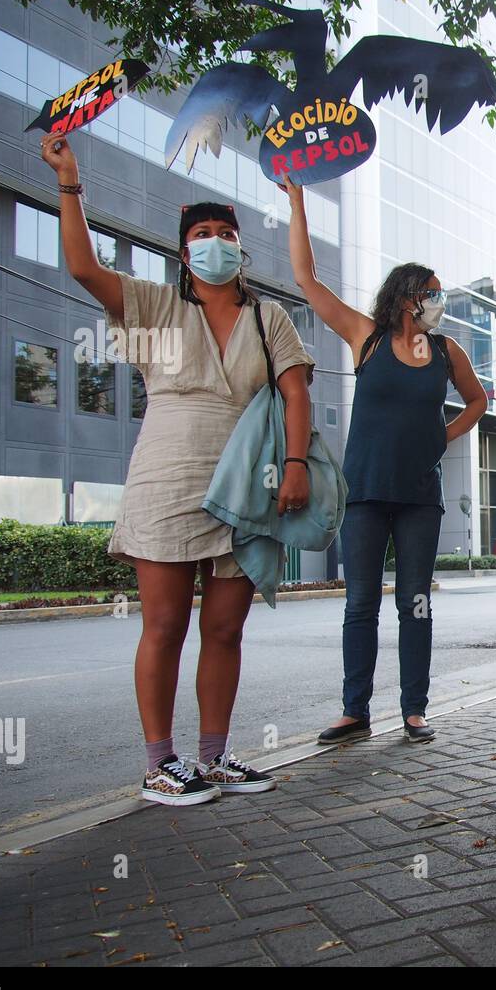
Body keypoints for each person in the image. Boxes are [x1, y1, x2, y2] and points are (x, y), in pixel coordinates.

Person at [41, 134, 317, 805]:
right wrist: (70, 183)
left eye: (226, 230)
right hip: (166, 479)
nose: (215, 240)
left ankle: (216, 757)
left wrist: (296, 463)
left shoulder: (268, 315)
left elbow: (296, 393)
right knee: (164, 626)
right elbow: (83, 266)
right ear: (184, 249)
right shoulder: (156, 307)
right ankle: (158, 764)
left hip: (247, 488)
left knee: (225, 628)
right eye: (202, 231)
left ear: (242, 246)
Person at [279, 175, 488, 745]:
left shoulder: (447, 351)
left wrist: (443, 435)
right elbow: (306, 279)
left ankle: (415, 710)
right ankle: (355, 711)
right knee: (360, 605)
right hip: (365, 493)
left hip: (420, 495)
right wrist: (297, 201)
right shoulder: (365, 337)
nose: (439, 303)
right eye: (433, 292)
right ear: (404, 297)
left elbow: (479, 402)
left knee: (415, 603)